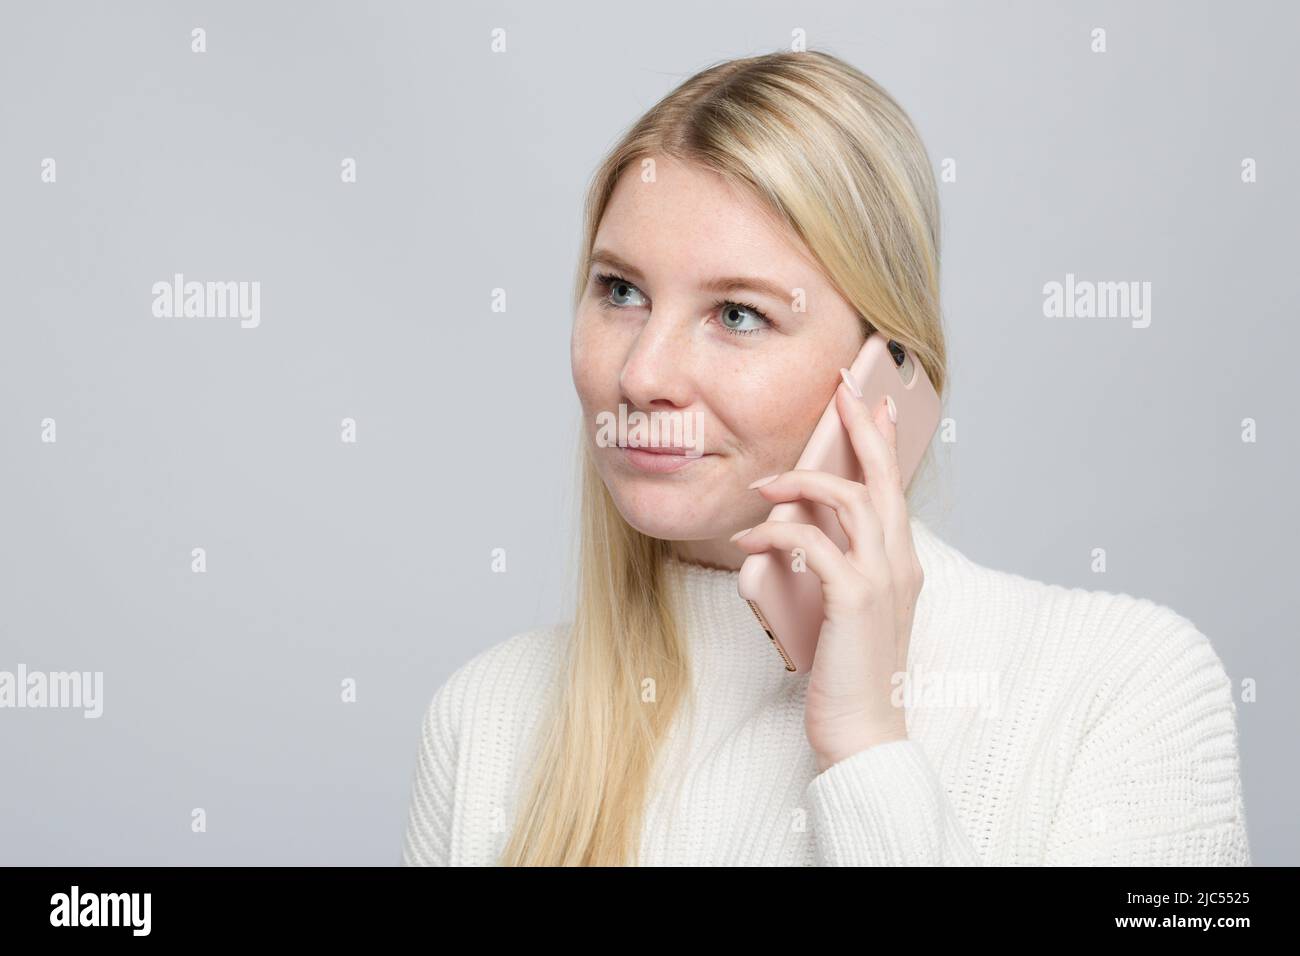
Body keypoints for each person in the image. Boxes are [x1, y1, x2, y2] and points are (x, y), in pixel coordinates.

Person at [401, 49, 1249, 866]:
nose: (641, 374)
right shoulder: (486, 719)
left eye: (738, 314)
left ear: (888, 374)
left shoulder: (1125, 688)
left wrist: (868, 748)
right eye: (620, 291)